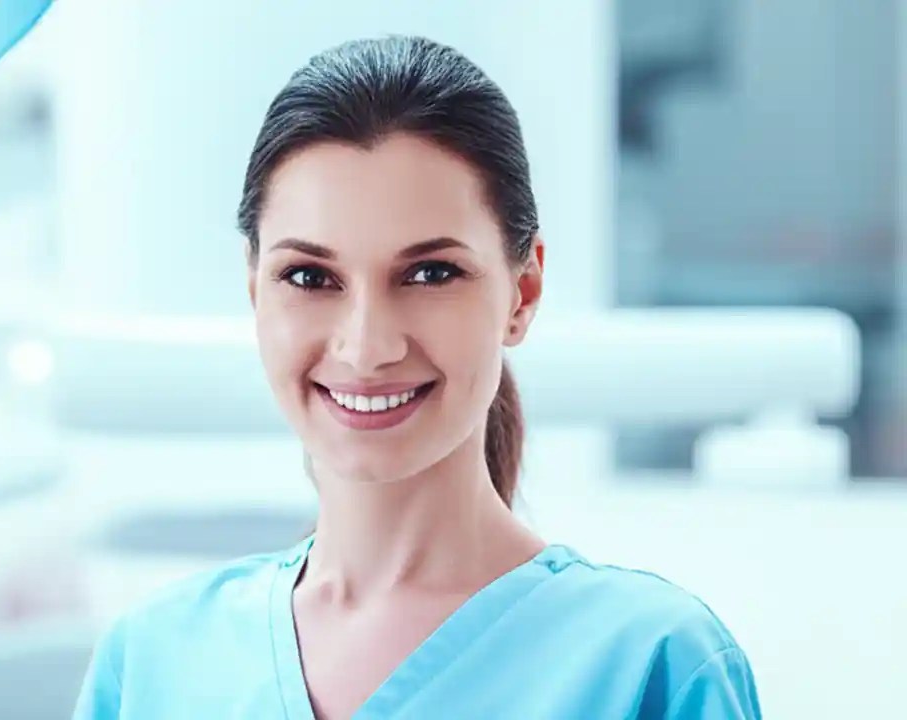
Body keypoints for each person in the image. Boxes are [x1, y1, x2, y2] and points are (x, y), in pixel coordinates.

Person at [72, 35, 761, 719]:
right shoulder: (153, 662)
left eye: (431, 274)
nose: (367, 346)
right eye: (310, 277)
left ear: (522, 292)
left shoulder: (650, 665)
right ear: (256, 291)